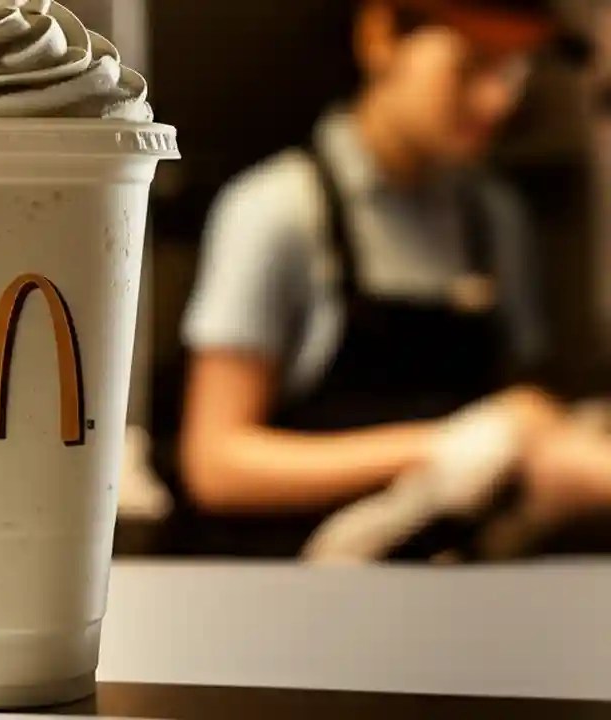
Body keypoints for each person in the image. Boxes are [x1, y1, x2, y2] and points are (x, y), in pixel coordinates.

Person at [177, 0, 611, 558]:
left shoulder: (494, 218)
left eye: (512, 70)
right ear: (381, 38)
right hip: (301, 584)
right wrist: (455, 445)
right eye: (470, 66)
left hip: (453, 569)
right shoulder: (279, 211)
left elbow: (518, 408)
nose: (496, 99)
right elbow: (216, 465)